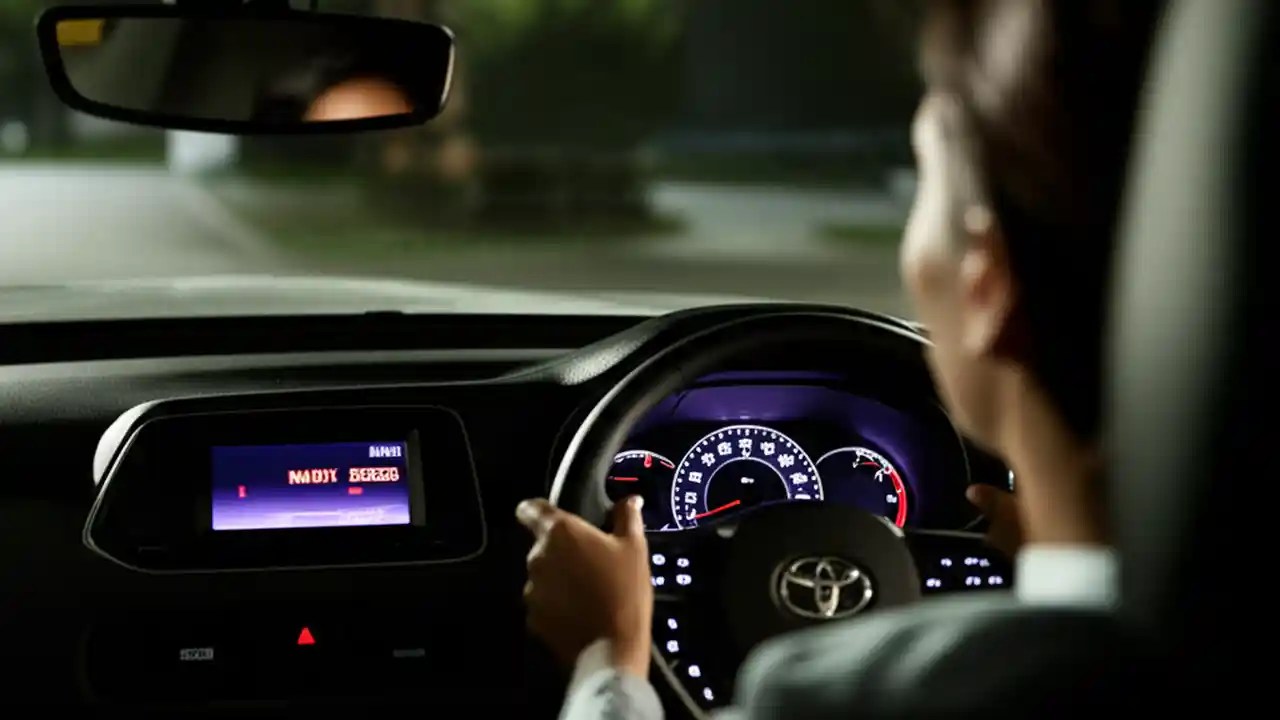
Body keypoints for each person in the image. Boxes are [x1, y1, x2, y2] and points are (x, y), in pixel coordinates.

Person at [517, 0, 1166, 717]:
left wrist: (608, 653)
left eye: (926, 184)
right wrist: (1052, 552)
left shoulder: (823, 698)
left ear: (989, 287)